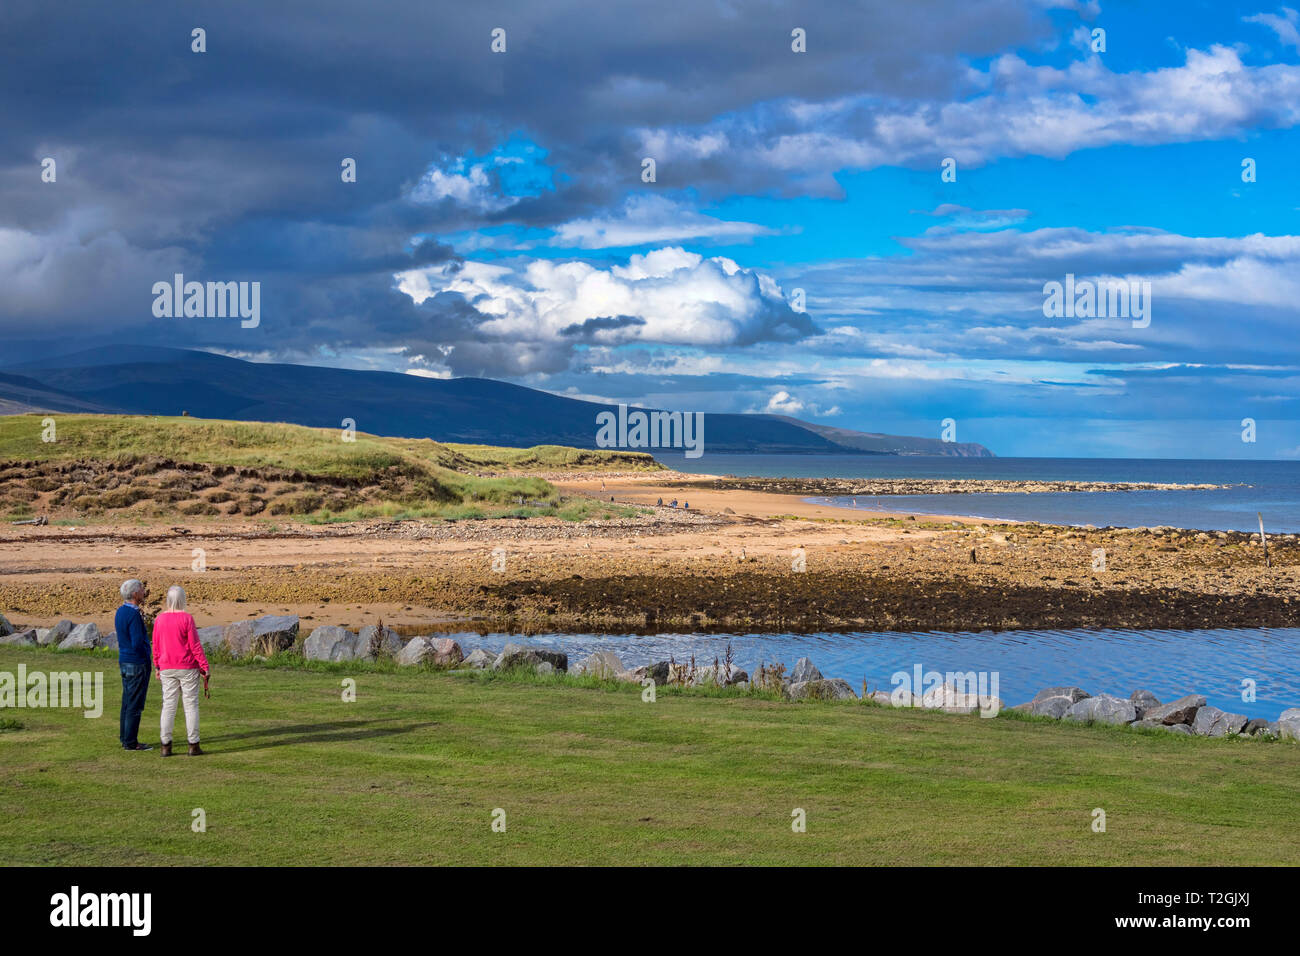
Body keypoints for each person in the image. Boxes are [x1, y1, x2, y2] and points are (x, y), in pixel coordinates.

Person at [151, 586, 211, 757]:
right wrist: (204, 665)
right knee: (190, 705)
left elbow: (156, 645)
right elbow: (195, 645)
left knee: (168, 705)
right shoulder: (186, 618)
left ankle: (166, 745)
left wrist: (157, 666)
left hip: (167, 666)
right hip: (186, 666)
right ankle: (193, 743)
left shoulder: (160, 619)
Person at [115, 579, 153, 751]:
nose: (144, 592)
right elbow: (137, 641)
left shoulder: (121, 611)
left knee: (127, 701)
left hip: (124, 659)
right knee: (134, 704)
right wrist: (148, 651)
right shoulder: (133, 614)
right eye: (142, 590)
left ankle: (125, 737)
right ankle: (131, 741)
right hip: (136, 662)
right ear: (135, 594)